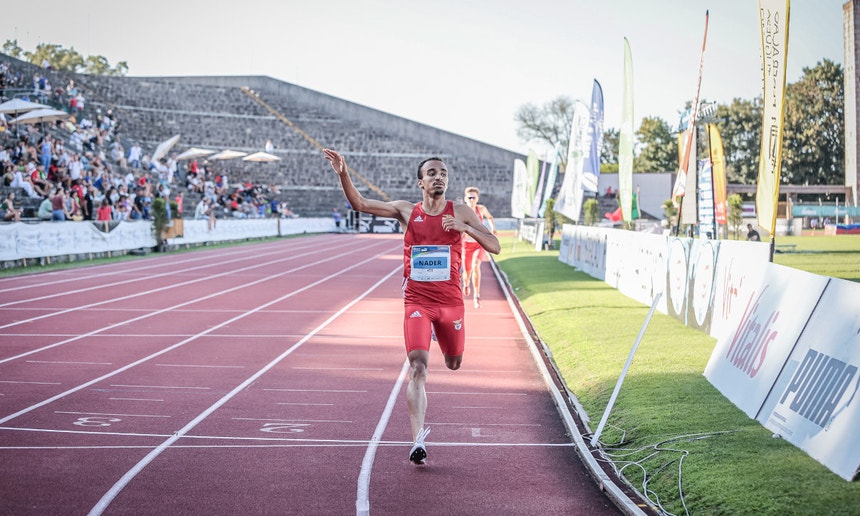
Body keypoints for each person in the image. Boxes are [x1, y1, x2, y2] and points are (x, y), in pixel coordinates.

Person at [324, 149, 500, 465]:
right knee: (418, 367)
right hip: (417, 302)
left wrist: (467, 229)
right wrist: (342, 173)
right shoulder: (407, 211)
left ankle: (440, 337)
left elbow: (495, 246)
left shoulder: (460, 211)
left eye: (443, 173)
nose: (439, 177)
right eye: (432, 173)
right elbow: (360, 204)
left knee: (454, 363)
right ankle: (417, 440)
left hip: (451, 304)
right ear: (420, 182)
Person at [461, 187, 496, 309]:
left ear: (477, 199)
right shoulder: (461, 211)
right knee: (467, 272)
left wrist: (493, 229)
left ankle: (476, 295)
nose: (471, 200)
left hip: (478, 244)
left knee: (476, 266)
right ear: (465, 199)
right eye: (469, 197)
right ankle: (466, 283)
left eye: (473, 197)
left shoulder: (480, 209)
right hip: (466, 246)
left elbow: (490, 217)